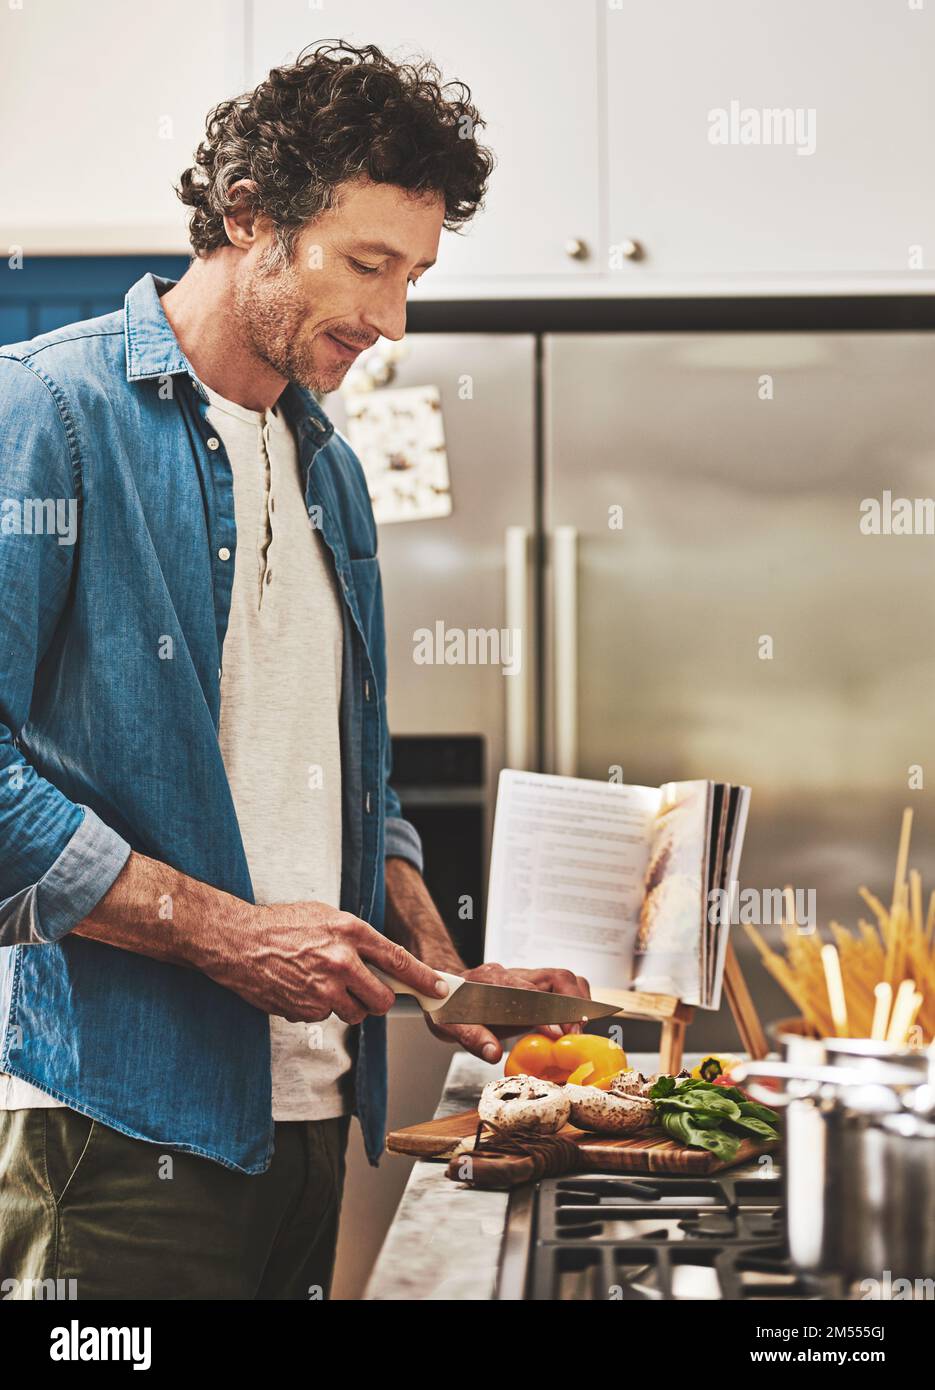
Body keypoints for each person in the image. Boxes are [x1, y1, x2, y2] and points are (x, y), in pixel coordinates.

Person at [0, 41, 590, 1300]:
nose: (392, 320)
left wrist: (444, 974)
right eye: (367, 264)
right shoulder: (46, 417)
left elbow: (349, 782)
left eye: (414, 275)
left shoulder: (328, 466)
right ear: (247, 215)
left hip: (315, 1115)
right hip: (119, 1130)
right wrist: (225, 936)